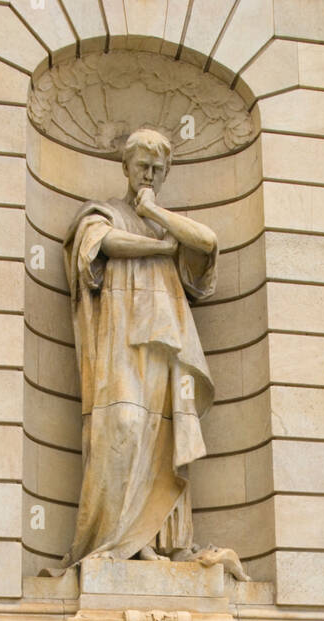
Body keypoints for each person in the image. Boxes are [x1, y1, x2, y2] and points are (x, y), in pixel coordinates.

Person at [50, 126, 249, 579]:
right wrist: (161, 246)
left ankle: (155, 542)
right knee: (123, 424)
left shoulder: (163, 217)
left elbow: (208, 243)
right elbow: (100, 246)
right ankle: (113, 541)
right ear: (125, 165)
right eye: (143, 165)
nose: (150, 174)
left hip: (166, 346)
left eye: (159, 169)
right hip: (120, 342)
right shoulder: (105, 214)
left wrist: (157, 213)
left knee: (165, 437)